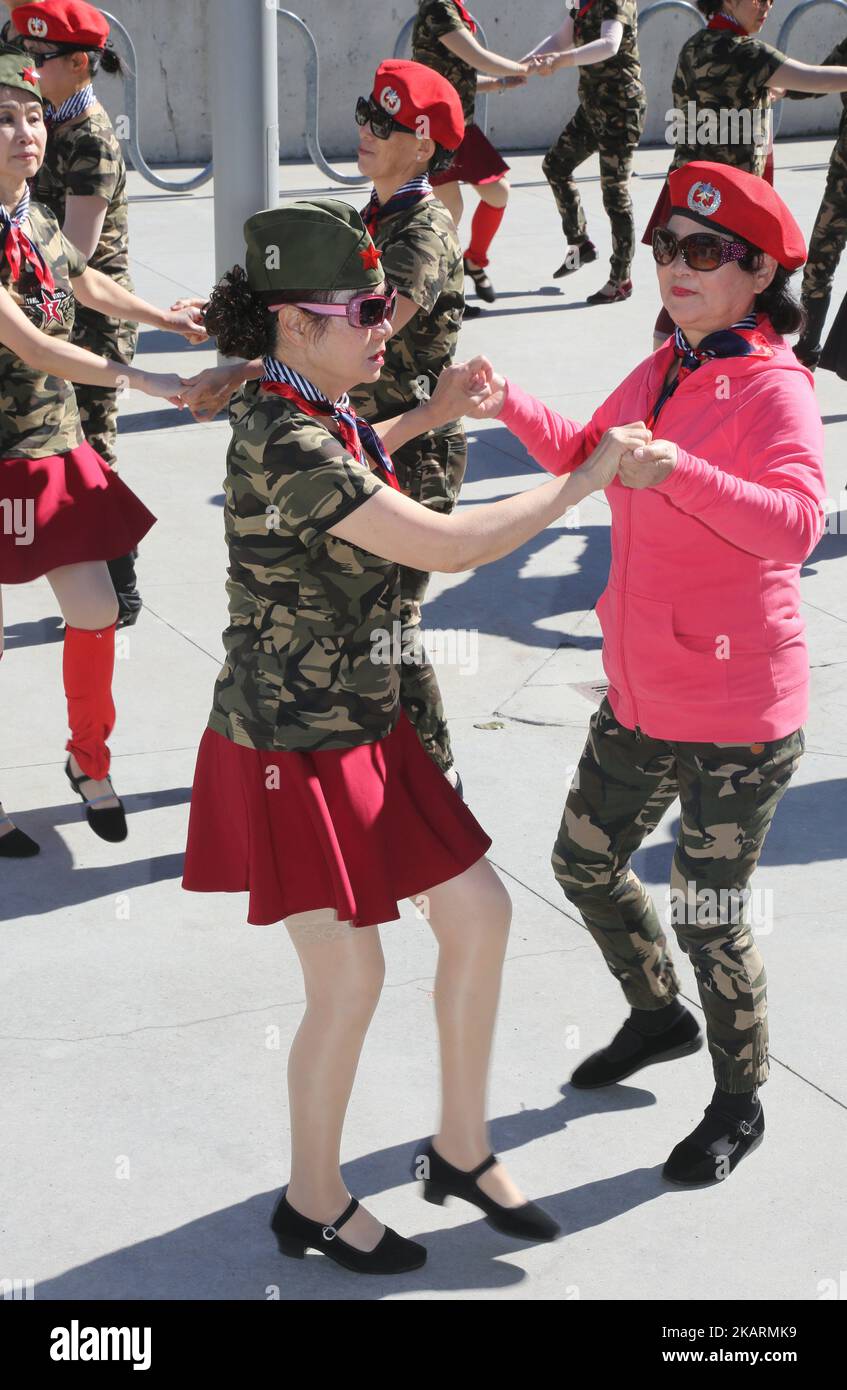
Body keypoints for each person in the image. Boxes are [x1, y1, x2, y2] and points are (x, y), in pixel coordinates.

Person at [180, 198, 641, 1274]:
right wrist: (581, 481)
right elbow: (437, 542)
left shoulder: (314, 404)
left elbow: (354, 466)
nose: (387, 324)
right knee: (347, 981)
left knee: (476, 915)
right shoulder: (285, 429)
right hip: (292, 743)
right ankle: (313, 1199)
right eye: (366, 308)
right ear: (297, 322)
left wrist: (426, 415)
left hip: (365, 724)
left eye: (388, 303)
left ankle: (462, 1148)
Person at [443, 161, 827, 1187]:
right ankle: (659, 1016)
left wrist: (685, 474)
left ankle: (737, 1096)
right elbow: (585, 450)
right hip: (643, 690)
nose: (676, 267)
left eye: (703, 253)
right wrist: (503, 400)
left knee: (708, 908)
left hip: (739, 711)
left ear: (756, 274)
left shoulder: (773, 386)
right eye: (666, 248)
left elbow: (796, 527)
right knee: (582, 861)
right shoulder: (667, 365)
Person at [0, 51, 203, 855]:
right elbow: (31, 343)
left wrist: (168, 317)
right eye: (4, 122)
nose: (27, 133)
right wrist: (144, 376)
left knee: (97, 610)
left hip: (51, 446)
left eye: (29, 116)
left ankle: (88, 762)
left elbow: (85, 283)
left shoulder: (32, 215)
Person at [349, 60, 467, 786]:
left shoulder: (420, 233)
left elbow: (368, 334)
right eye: (366, 112)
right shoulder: (371, 215)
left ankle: (435, 777)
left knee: (390, 624)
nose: (364, 130)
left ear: (421, 145)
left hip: (412, 448)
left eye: (382, 124)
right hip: (362, 439)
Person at [14, 0, 144, 626]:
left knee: (92, 452)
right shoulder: (41, 120)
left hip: (87, 319)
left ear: (76, 63)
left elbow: (78, 256)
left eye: (38, 59)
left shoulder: (89, 136)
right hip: (47, 310)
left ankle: (120, 589)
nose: (25, 67)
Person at [646, 0, 847, 345]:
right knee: (727, 290)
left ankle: (668, 372)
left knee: (683, 288)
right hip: (727, 207)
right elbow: (815, 79)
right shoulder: (748, 53)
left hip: (688, 195)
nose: (768, 5)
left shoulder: (694, 46)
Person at [411, 0, 545, 306]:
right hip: (436, 130)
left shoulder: (453, 6)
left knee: (498, 193)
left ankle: (475, 261)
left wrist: (499, 83)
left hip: (461, 126)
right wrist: (526, 68)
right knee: (449, 214)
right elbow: (478, 57)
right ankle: (443, 293)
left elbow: (459, 75)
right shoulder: (437, 6)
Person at [524, 0, 646, 304]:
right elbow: (559, 38)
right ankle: (579, 243)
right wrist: (522, 66)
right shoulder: (580, 3)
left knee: (614, 193)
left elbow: (609, 44)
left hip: (621, 109)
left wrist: (561, 60)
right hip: (593, 108)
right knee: (555, 165)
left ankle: (621, 278)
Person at [784, 34, 847, 367]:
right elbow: (821, 78)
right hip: (844, 180)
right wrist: (781, 85)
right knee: (819, 263)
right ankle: (807, 351)